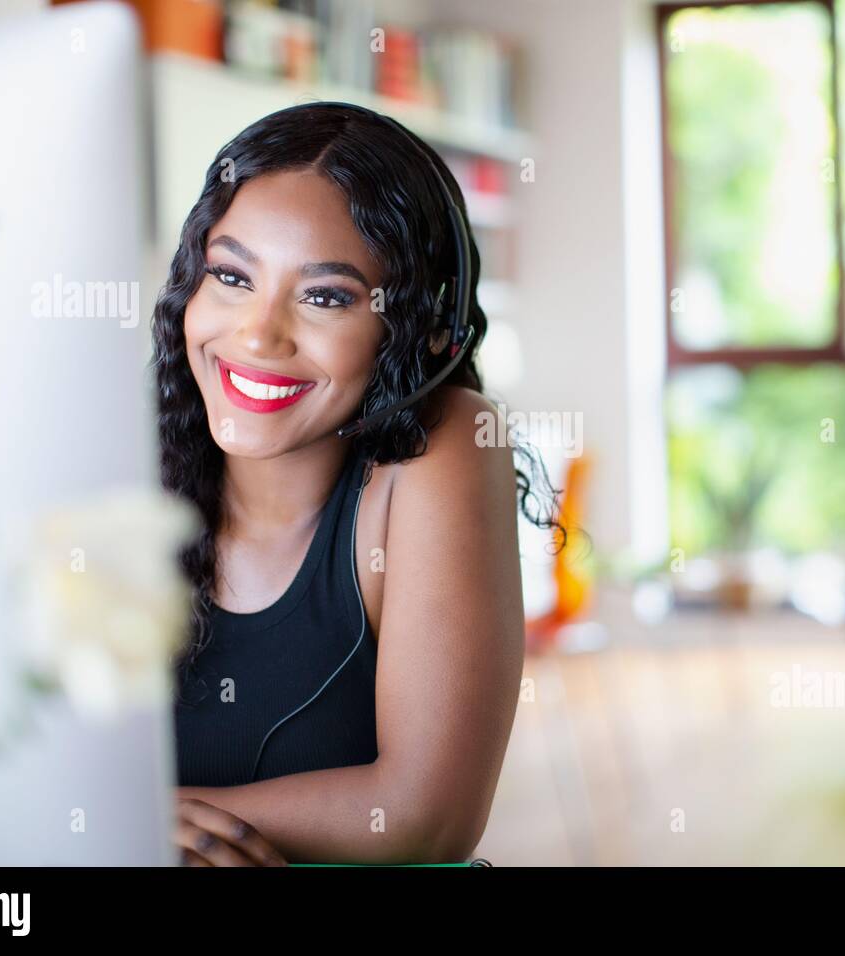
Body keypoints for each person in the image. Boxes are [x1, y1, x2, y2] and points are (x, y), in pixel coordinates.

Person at [150, 103, 563, 865]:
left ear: (424, 328)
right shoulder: (113, 457)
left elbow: (425, 815)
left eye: (325, 296)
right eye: (232, 276)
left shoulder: (446, 444)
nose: (257, 334)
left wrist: (133, 825)